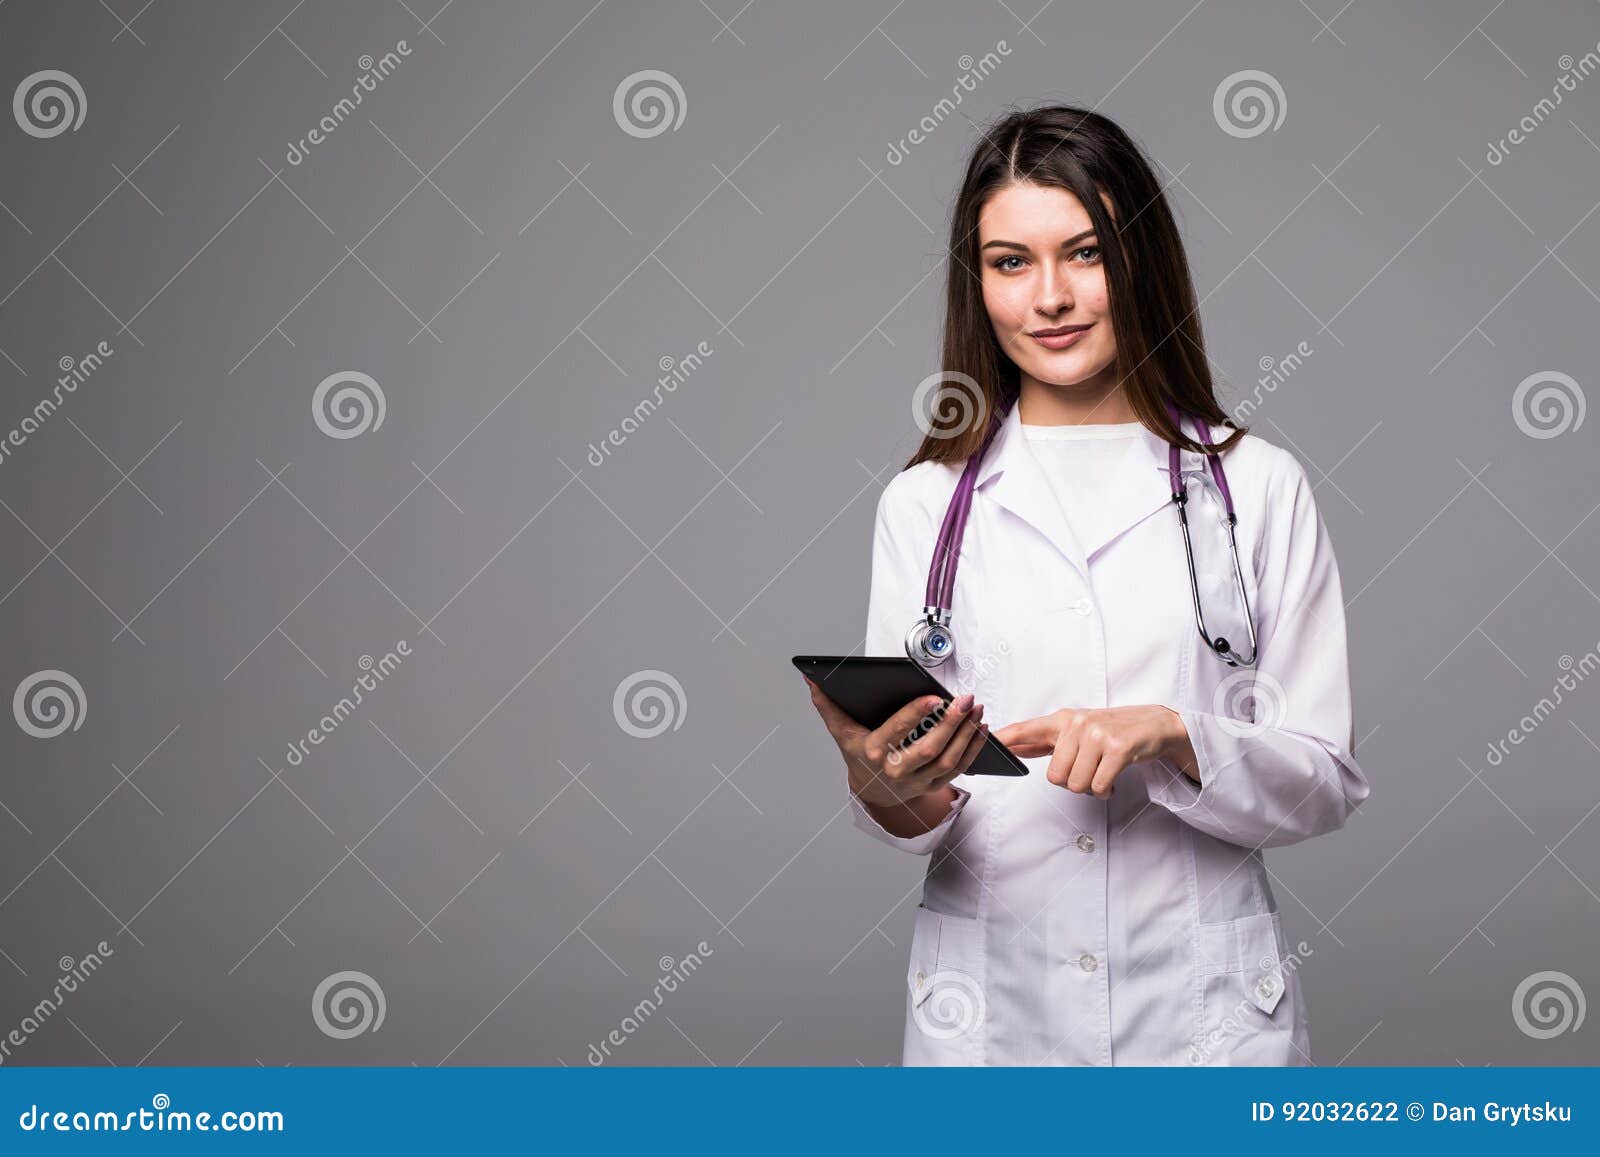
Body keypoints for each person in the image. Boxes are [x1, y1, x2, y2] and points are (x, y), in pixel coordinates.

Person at [802, 104, 1370, 1066]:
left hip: (1203, 1014)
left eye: (1086, 252)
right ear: (976, 284)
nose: (1050, 297)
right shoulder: (924, 505)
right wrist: (879, 779)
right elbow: (916, 813)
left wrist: (1178, 736)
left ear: (1140, 259)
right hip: (992, 1013)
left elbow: (1323, 783)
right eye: (1010, 262)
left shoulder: (1257, 486)